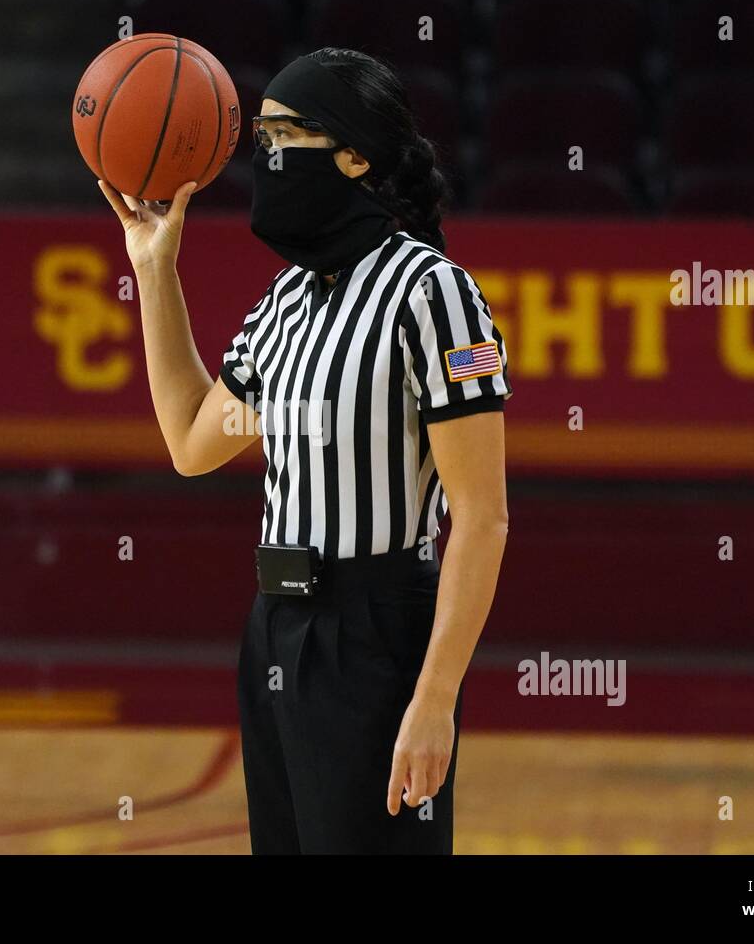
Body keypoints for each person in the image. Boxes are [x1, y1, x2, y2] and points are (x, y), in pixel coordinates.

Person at [97, 47, 511, 854]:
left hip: (376, 630)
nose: (265, 159)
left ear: (354, 154)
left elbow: (484, 519)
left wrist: (435, 696)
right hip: (276, 628)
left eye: (283, 137)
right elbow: (190, 441)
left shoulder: (432, 295)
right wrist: (156, 273)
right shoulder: (287, 298)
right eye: (260, 139)